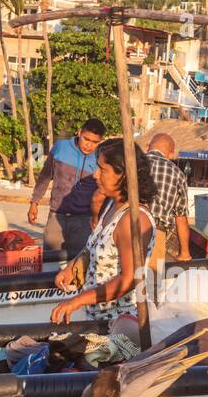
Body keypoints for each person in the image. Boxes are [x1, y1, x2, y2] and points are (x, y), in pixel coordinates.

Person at [50, 139, 157, 325]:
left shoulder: (133, 219)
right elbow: (97, 245)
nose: (95, 175)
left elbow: (129, 279)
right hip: (96, 319)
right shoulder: (111, 205)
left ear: (123, 175)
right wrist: (73, 266)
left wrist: (77, 300)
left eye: (103, 170)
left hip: (120, 326)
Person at [30, 118, 105, 259]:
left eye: (95, 142)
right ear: (79, 132)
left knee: (78, 264)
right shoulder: (60, 147)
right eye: (86, 139)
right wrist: (34, 202)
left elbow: (104, 190)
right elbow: (45, 176)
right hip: (56, 216)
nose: (89, 146)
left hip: (84, 222)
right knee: (50, 261)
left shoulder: (101, 157)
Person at [146, 133, 191, 264]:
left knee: (119, 280)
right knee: (151, 282)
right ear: (171, 154)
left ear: (147, 147)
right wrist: (185, 253)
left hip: (124, 227)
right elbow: (181, 218)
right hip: (154, 234)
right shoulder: (177, 174)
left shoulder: (132, 163)